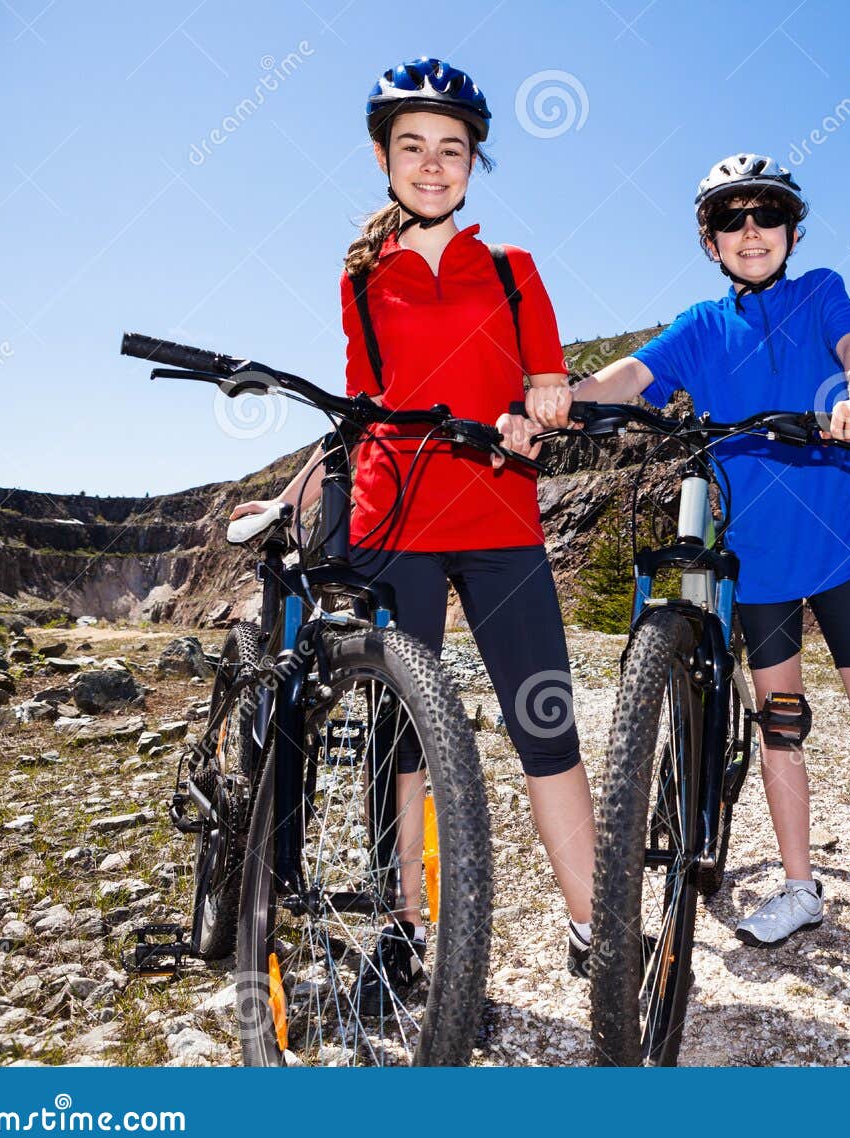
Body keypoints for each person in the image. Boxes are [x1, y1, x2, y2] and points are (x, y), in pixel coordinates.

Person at [533, 154, 850, 975]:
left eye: (767, 215)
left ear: (791, 228)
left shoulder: (820, 291)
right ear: (710, 240)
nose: (753, 231)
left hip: (837, 547)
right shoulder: (702, 326)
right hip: (758, 559)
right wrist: (569, 396)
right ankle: (797, 883)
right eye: (732, 220)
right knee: (779, 719)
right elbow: (632, 374)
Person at [231, 56, 598, 993]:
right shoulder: (361, 280)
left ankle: (599, 924)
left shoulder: (514, 272)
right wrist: (293, 496)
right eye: (413, 147)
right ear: (385, 158)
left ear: (474, 162)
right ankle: (401, 929)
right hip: (393, 518)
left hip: (499, 514)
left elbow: (547, 384)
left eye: (452, 149)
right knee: (401, 737)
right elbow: (358, 412)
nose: (432, 165)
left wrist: (542, 401)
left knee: (543, 722)